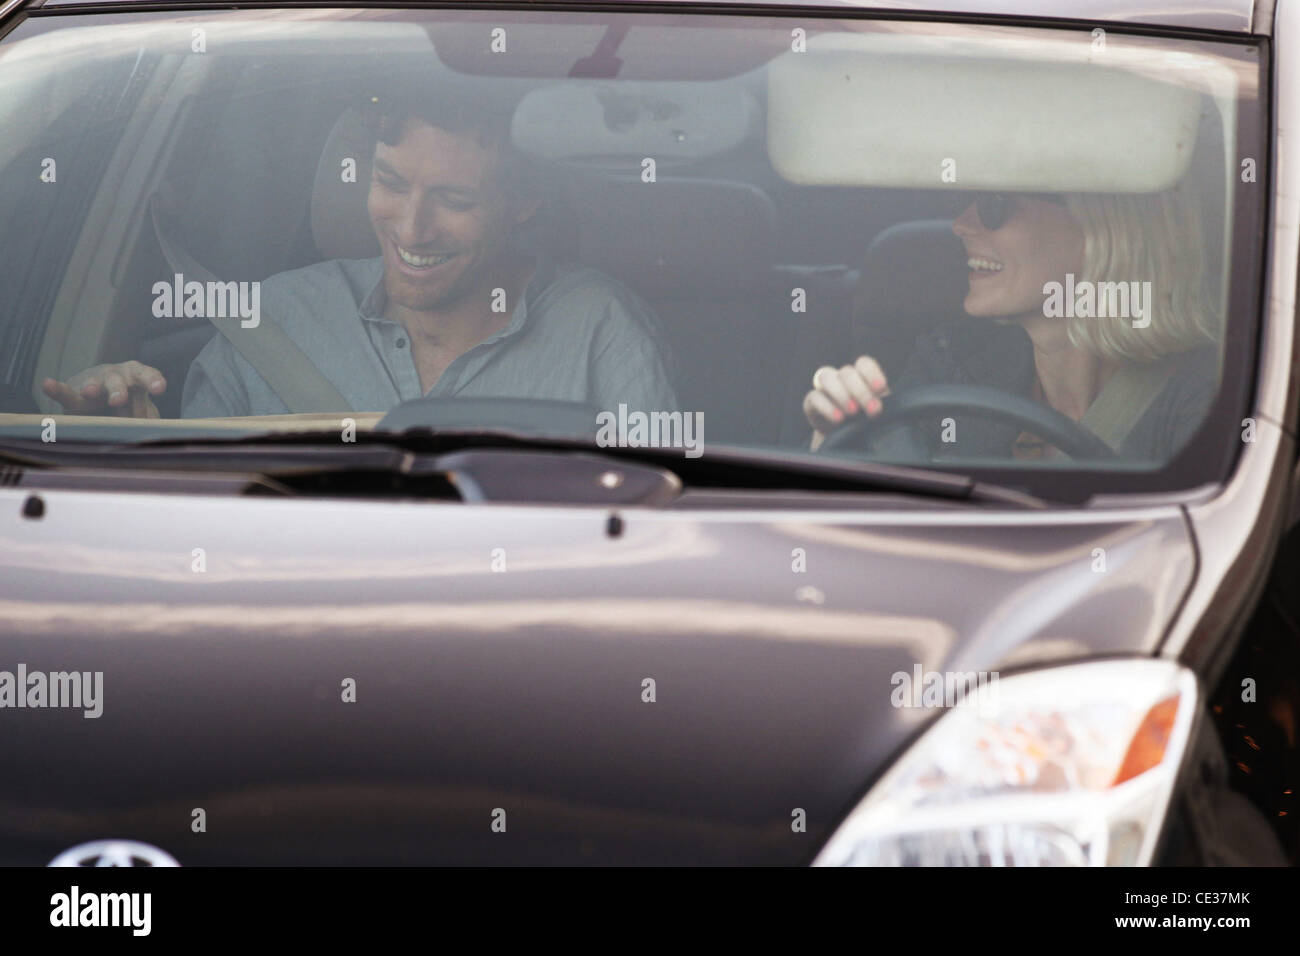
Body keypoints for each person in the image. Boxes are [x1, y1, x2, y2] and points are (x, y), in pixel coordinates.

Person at [42, 92, 678, 419]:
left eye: (453, 198)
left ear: (523, 203)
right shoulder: (269, 322)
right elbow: (203, 540)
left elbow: (652, 546)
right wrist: (134, 445)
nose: (411, 228)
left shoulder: (599, 328)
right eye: (391, 184)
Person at [803, 187, 1221, 460]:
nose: (961, 224)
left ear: (1107, 226)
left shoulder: (1211, 399)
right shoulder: (952, 361)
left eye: (995, 204)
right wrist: (836, 446)